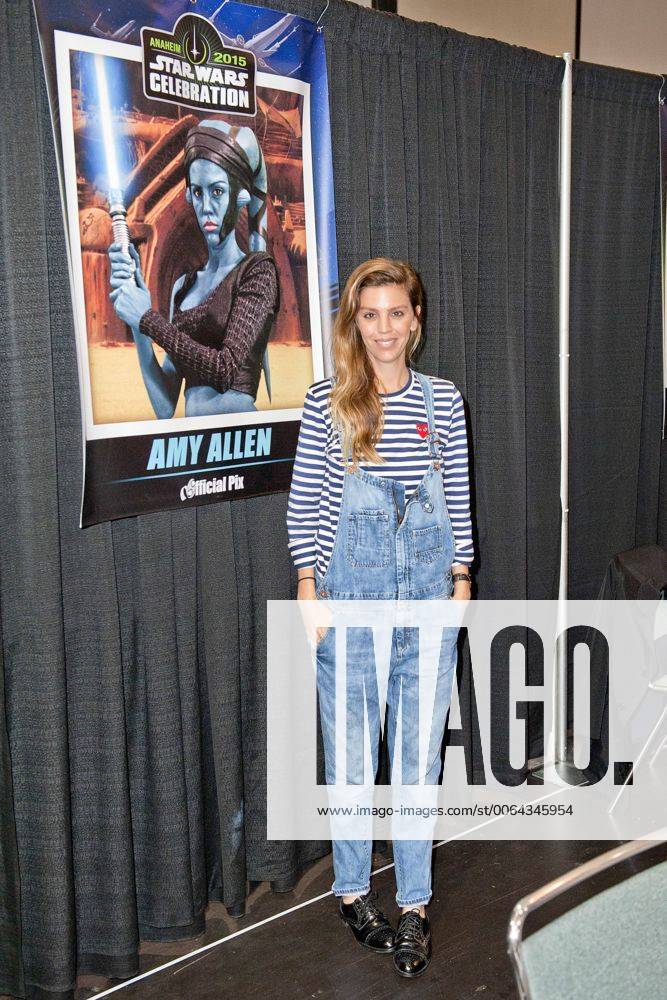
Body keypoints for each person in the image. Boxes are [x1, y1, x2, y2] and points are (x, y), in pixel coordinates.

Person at [286, 258, 474, 978]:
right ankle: (352, 890)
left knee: (418, 764)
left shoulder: (442, 401)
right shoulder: (328, 400)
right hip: (349, 601)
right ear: (354, 322)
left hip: (428, 599)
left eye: (397, 313)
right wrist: (308, 586)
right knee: (354, 762)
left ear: (415, 320)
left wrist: (462, 578)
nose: (385, 328)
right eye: (371, 314)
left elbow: (456, 494)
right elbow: (305, 502)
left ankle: (415, 905)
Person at [108, 120, 279, 418]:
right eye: (198, 193)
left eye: (217, 191)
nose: (206, 207)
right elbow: (164, 406)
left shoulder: (258, 271)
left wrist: (147, 319)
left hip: (241, 445)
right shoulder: (183, 287)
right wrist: (137, 325)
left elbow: (225, 370)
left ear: (240, 196)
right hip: (195, 448)